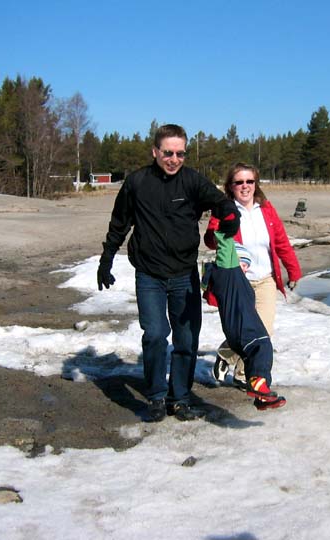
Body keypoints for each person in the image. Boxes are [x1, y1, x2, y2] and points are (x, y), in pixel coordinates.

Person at [97, 124, 239, 422]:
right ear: (155, 152)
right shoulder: (137, 182)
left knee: (187, 340)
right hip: (149, 274)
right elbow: (119, 223)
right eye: (168, 153)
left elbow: (220, 202)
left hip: (184, 274)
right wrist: (106, 260)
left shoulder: (191, 181)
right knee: (156, 335)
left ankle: (181, 398)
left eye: (180, 153)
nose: (174, 159)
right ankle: (156, 396)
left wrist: (230, 214)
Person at [204, 162, 302, 387]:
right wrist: (218, 230)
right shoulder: (225, 208)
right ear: (231, 186)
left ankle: (230, 358)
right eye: (239, 182)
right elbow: (210, 241)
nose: (245, 186)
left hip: (266, 278)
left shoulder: (266, 209)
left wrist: (293, 271)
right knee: (245, 330)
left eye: (249, 181)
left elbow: (281, 242)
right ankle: (243, 375)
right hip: (239, 281)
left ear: (256, 184)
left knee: (264, 331)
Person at [202, 230, 286, 410]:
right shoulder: (228, 273)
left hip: (236, 330)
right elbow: (225, 245)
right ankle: (257, 384)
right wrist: (225, 220)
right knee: (262, 346)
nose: (246, 268)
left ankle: (261, 395)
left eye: (247, 265)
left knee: (252, 358)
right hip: (242, 327)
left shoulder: (233, 280)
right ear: (231, 261)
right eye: (243, 263)